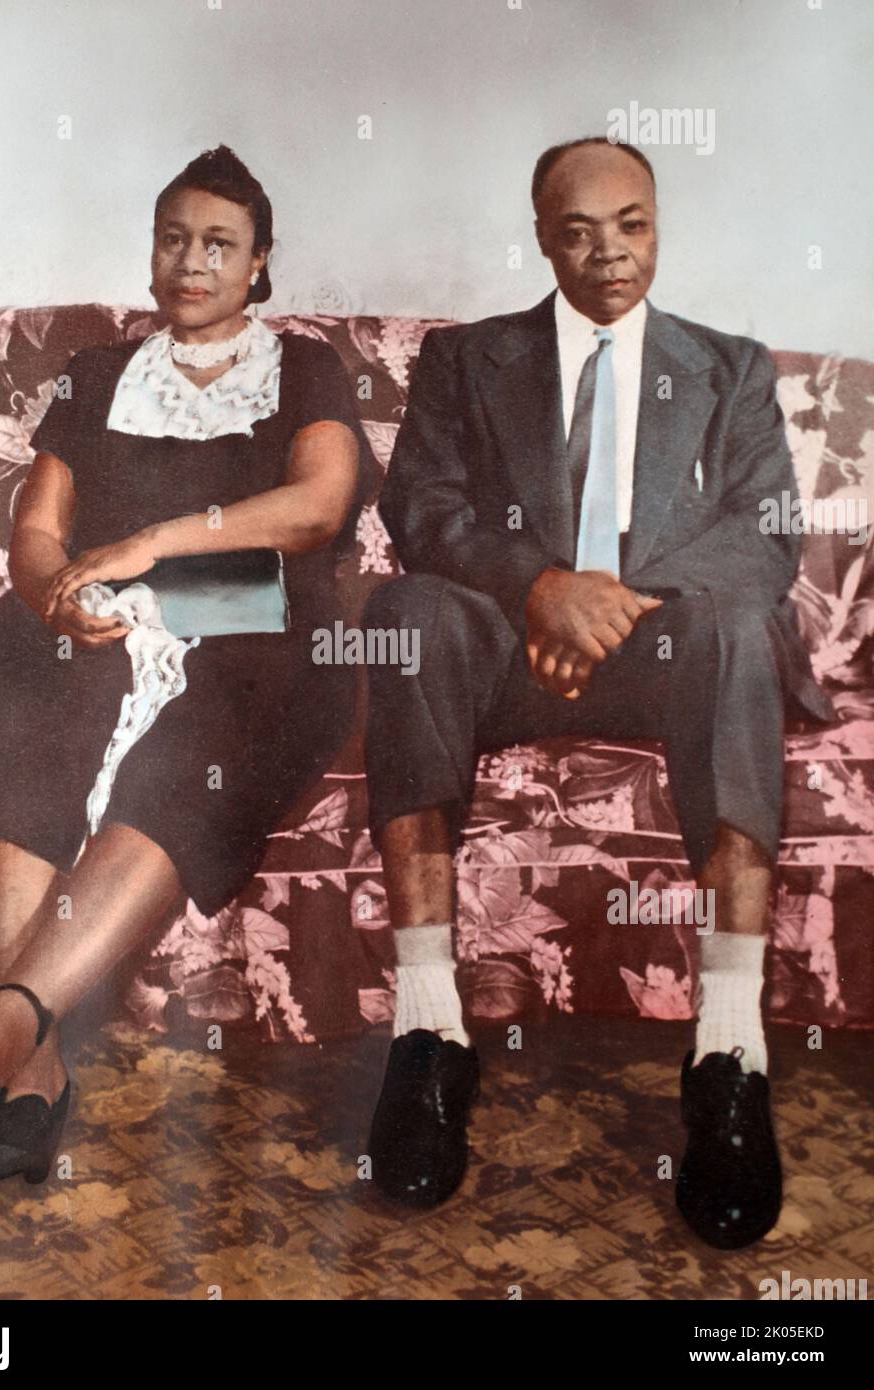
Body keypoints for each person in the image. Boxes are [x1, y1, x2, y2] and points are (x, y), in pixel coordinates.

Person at [0, 145, 381, 1184]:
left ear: (258, 263)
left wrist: (149, 546)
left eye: (218, 244)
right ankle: (30, 1071)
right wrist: (57, 589)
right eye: (173, 239)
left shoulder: (304, 366)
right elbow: (38, 530)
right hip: (103, 604)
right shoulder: (99, 372)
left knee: (194, 743)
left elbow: (318, 507)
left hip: (253, 611)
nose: (191, 262)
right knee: (27, 692)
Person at [363, 137, 832, 1246]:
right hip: (506, 654)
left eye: (631, 223)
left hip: (666, 650)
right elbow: (419, 512)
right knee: (403, 614)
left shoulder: (728, 367)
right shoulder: (465, 358)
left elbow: (763, 538)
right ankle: (429, 1034)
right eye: (577, 230)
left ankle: (727, 1052)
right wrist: (539, 591)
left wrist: (603, 601)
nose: (608, 251)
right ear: (539, 238)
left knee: (733, 621)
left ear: (657, 223)